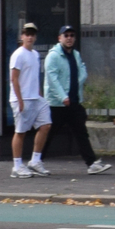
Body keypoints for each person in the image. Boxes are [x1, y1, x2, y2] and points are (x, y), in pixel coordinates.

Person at [46, 24, 107, 175]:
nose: (69, 38)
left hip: (74, 102)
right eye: (66, 35)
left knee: (81, 133)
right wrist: (63, 96)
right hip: (57, 104)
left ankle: (91, 163)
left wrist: (76, 90)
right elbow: (52, 79)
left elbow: (82, 70)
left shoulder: (75, 54)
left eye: (71, 35)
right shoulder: (53, 56)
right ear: (59, 38)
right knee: (48, 133)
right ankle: (35, 160)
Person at [7, 23, 50, 178]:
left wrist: (40, 95)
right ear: (22, 36)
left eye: (32, 34)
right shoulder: (18, 55)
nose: (30, 37)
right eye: (27, 34)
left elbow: (34, 77)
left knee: (45, 125)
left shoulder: (35, 54)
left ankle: (35, 161)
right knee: (21, 132)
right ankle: (17, 166)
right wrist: (20, 101)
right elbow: (14, 79)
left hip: (35, 98)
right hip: (22, 99)